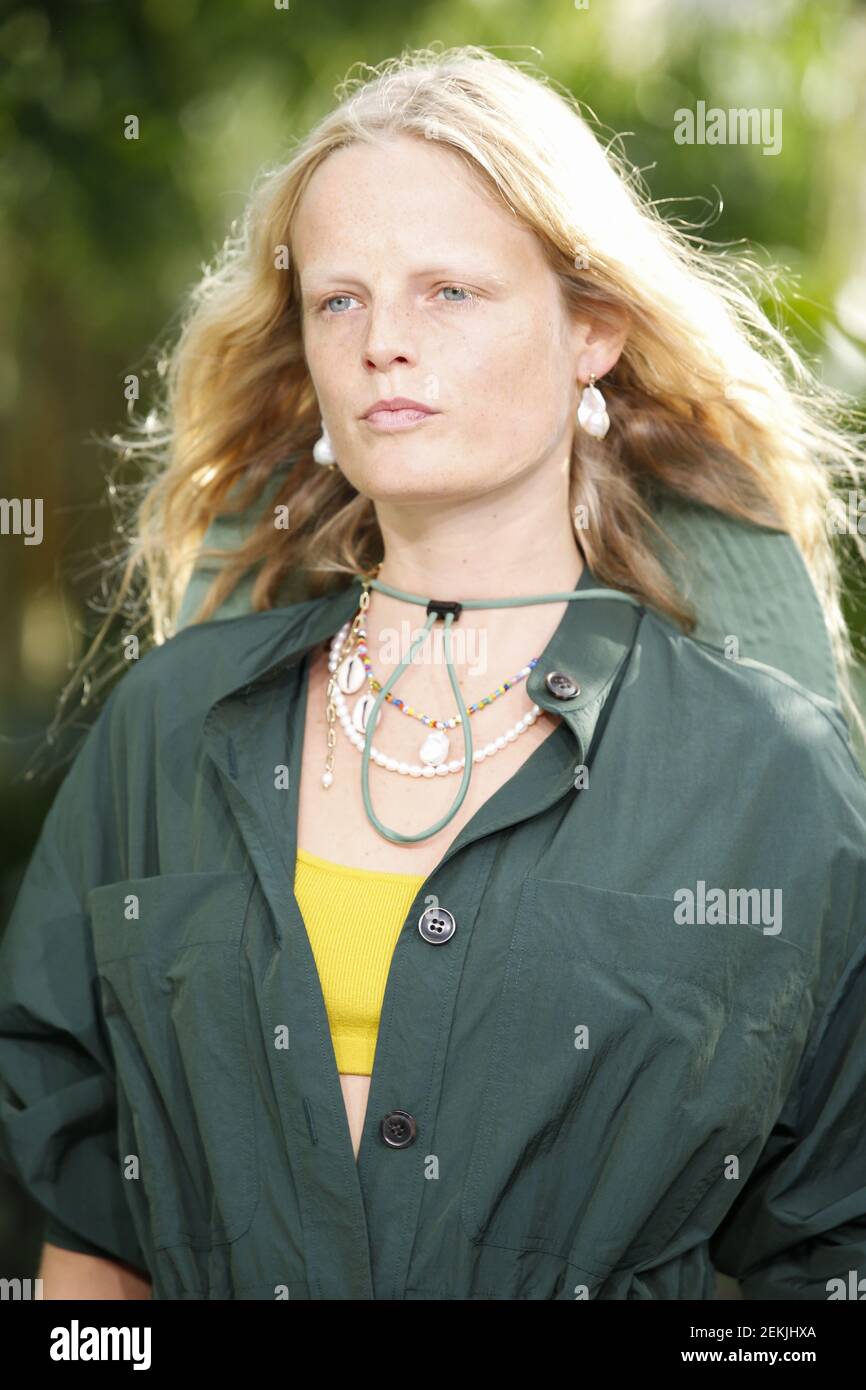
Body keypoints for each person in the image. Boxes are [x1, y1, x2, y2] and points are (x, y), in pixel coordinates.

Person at [1, 46, 865, 1301]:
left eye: (450, 291)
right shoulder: (168, 728)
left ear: (592, 332)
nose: (383, 344)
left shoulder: (764, 773)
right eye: (338, 300)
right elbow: (92, 1251)